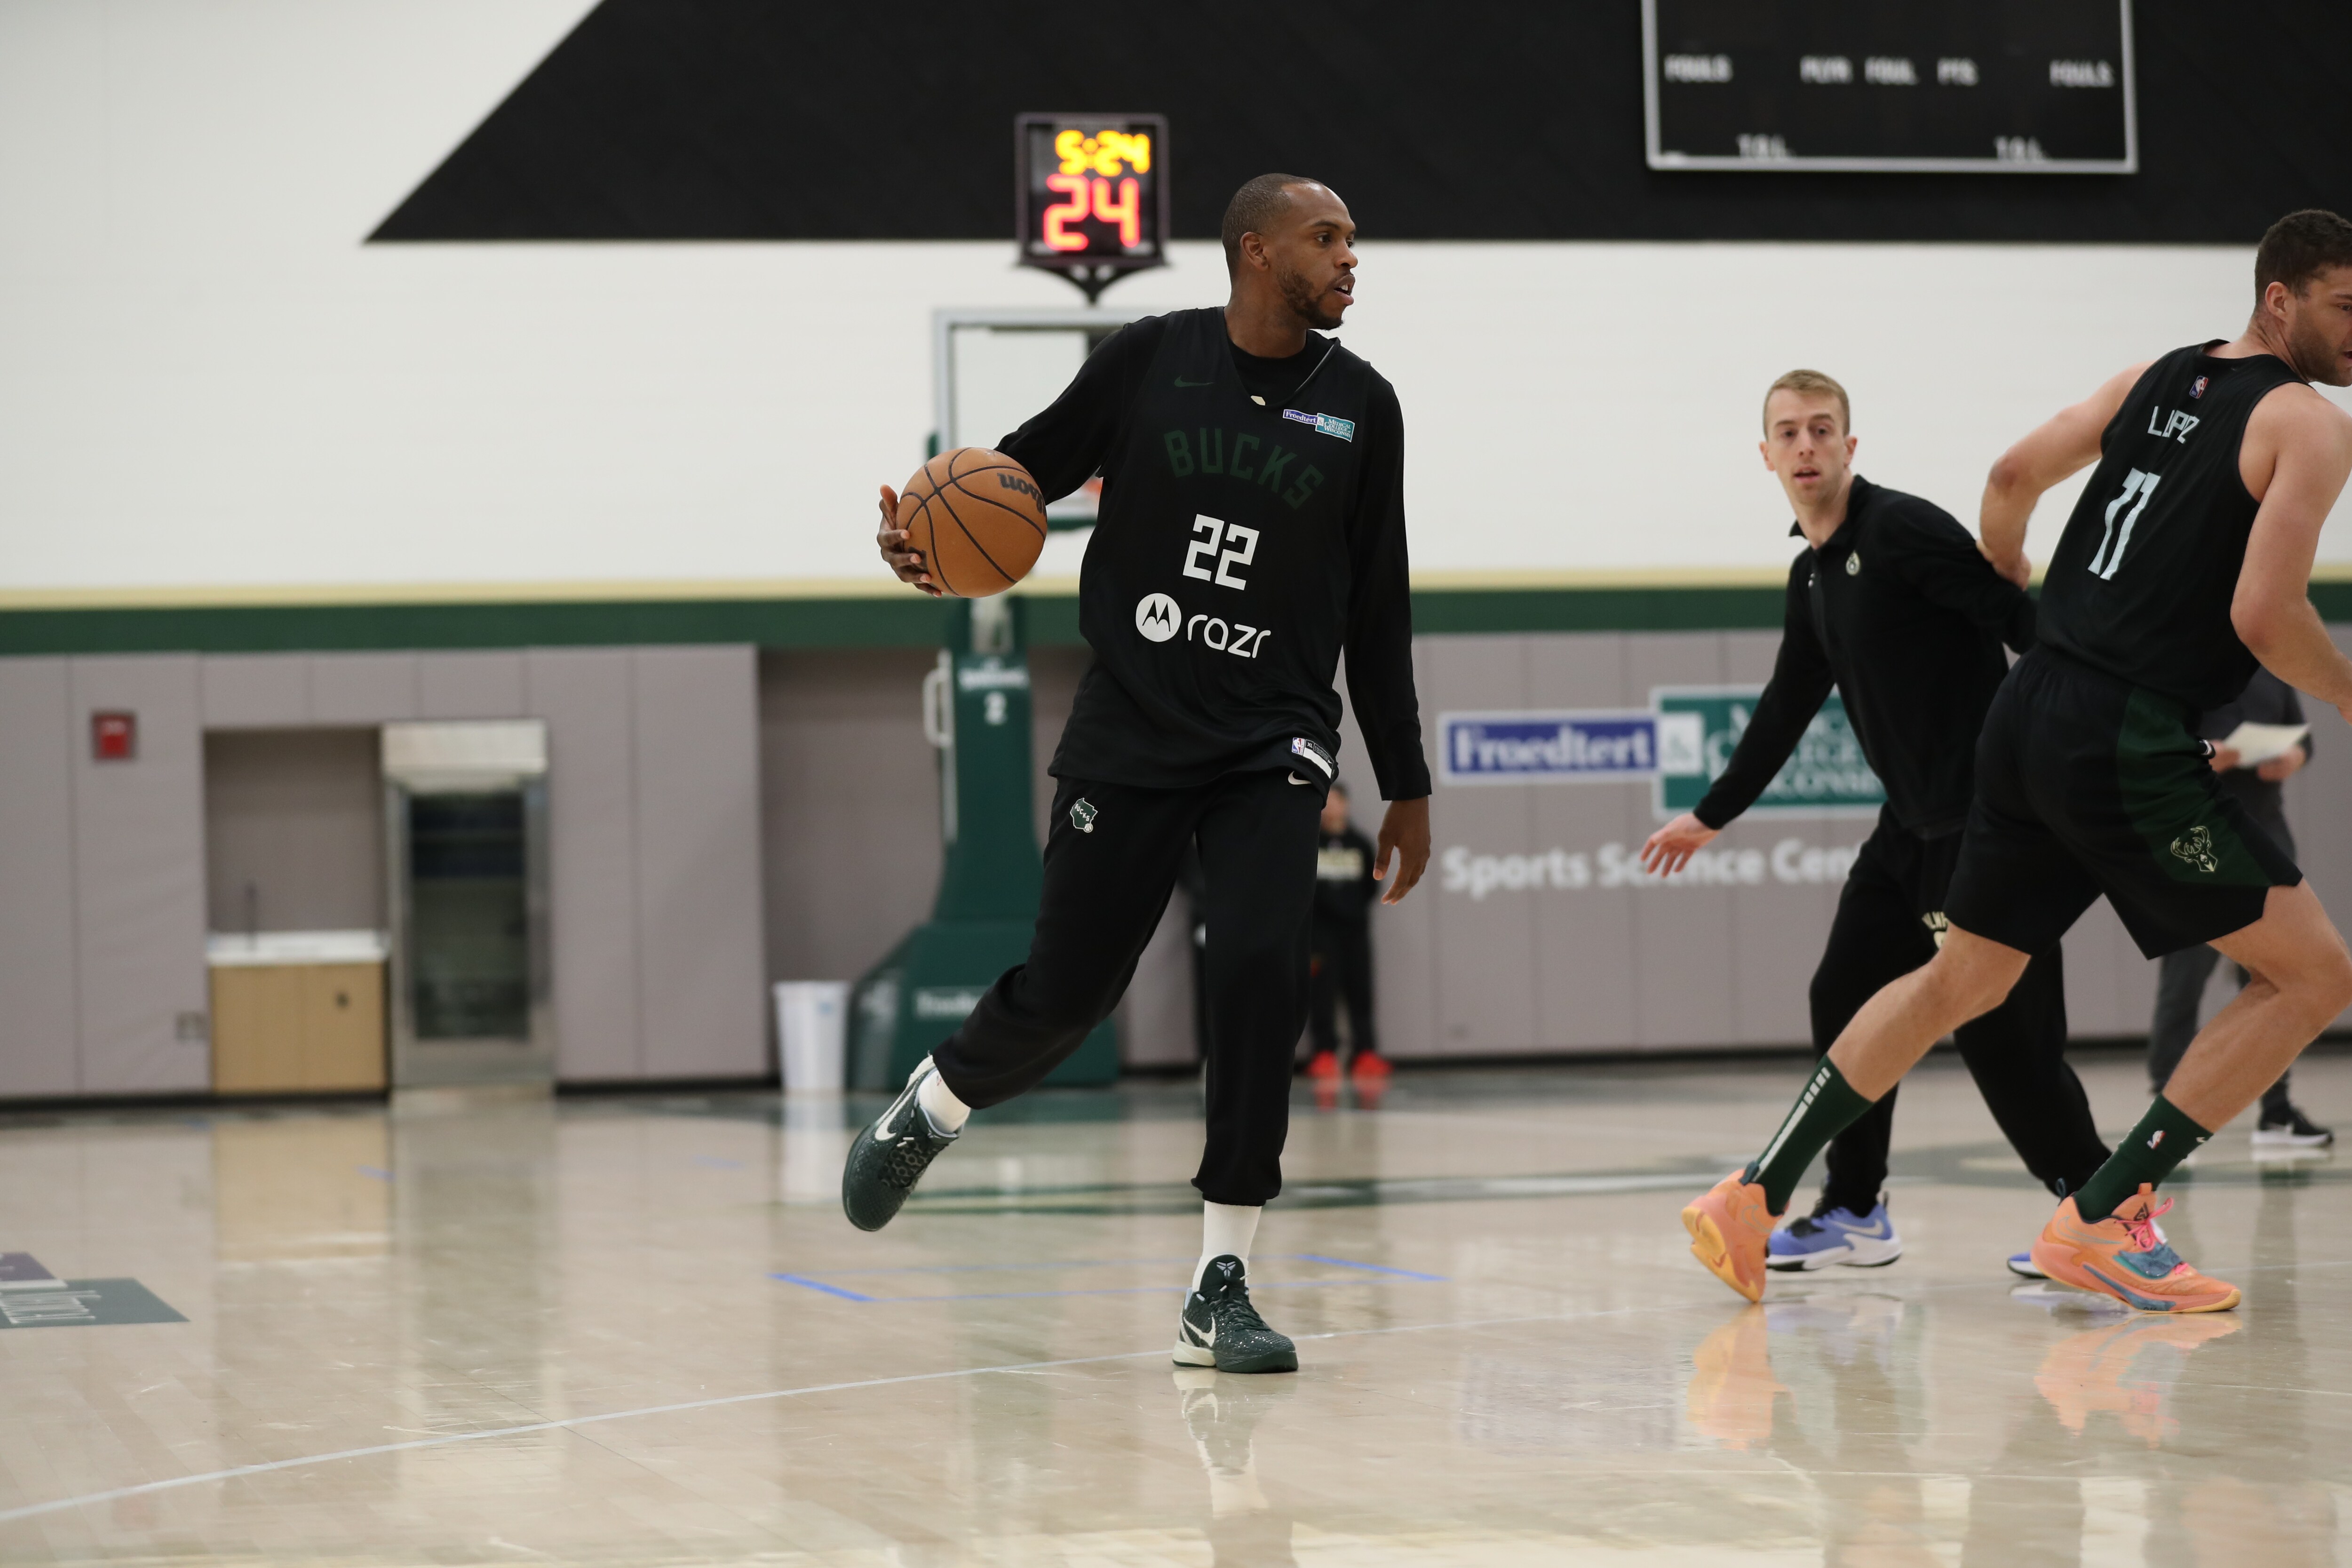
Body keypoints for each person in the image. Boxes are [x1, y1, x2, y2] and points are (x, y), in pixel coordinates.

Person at [1680, 208, 2352, 1313]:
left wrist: (2014, 568)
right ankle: (2100, 1216)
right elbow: (2266, 615)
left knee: (1965, 977)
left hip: (2026, 709)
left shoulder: (2151, 376)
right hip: (2123, 735)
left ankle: (1751, 1193)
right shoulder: (2311, 424)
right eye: (2345, 305)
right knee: (2314, 974)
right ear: (2279, 301)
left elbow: (2008, 475)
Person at [847, 174, 1434, 1373]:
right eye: (1326, 238)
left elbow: (1379, 605)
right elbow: (1012, 482)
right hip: (1134, 721)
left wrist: (1406, 781)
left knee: (1260, 968)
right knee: (1069, 993)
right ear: (1254, 250)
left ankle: (1222, 1280)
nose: (1349, 259)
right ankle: (937, 1102)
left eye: (1352, 241)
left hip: (1274, 737)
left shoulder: (1364, 406)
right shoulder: (1151, 359)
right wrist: (925, 541)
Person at [1643, 370, 2110, 1273]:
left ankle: (2103, 1215)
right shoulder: (1813, 574)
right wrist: (1710, 814)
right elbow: (1788, 703)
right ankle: (1856, 1206)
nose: (1806, 445)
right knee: (1845, 995)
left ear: (1850, 446)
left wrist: (2110, 724)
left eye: (1823, 429)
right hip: (1907, 832)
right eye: (1789, 432)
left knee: (2008, 1042)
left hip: (1989, 825)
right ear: (1767, 455)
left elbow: (2023, 621)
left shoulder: (1901, 529)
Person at [2150, 668, 2331, 1146]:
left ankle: (2276, 1112)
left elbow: (2301, 739)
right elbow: (2158, 750)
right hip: (2203, 839)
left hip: (2266, 835)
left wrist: (2292, 757)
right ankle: (2161, 1120)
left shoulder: (2271, 672)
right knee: (2185, 977)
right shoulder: (2184, 670)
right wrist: (2215, 755)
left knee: (2278, 977)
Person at [1305, 781, 1386, 1084]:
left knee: (1360, 991)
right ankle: (1325, 1052)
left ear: (1346, 805)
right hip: (1320, 935)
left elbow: (1371, 885)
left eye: (1336, 801)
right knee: (1322, 993)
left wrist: (1350, 910)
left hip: (1354, 933)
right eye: (1325, 802)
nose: (1330, 808)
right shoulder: (1310, 843)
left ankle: (1365, 1053)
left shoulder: (1360, 844)